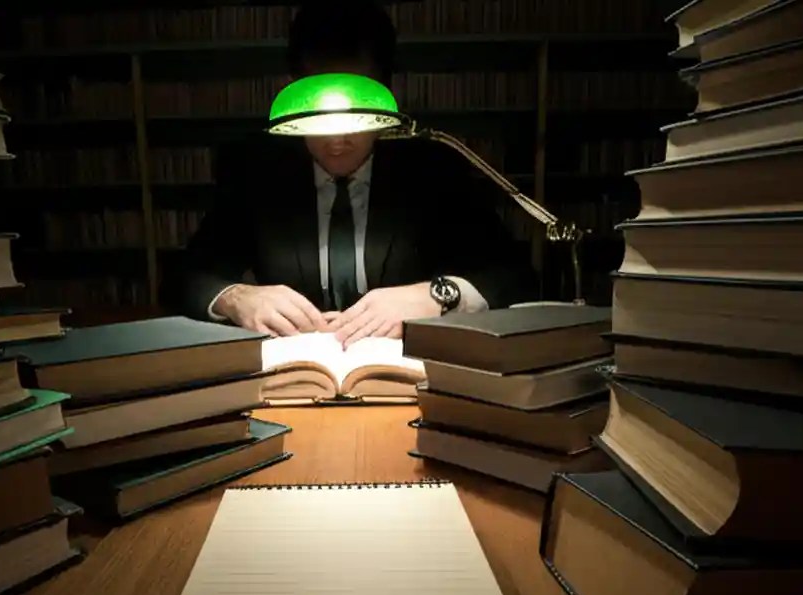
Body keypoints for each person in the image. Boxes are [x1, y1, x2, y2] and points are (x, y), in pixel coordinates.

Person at [175, 0, 537, 346]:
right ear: (294, 94)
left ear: (385, 93)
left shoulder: (433, 168)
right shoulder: (257, 170)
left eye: (357, 111)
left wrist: (436, 294)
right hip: (295, 376)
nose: (338, 137)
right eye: (319, 113)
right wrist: (237, 298)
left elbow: (516, 278)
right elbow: (185, 278)